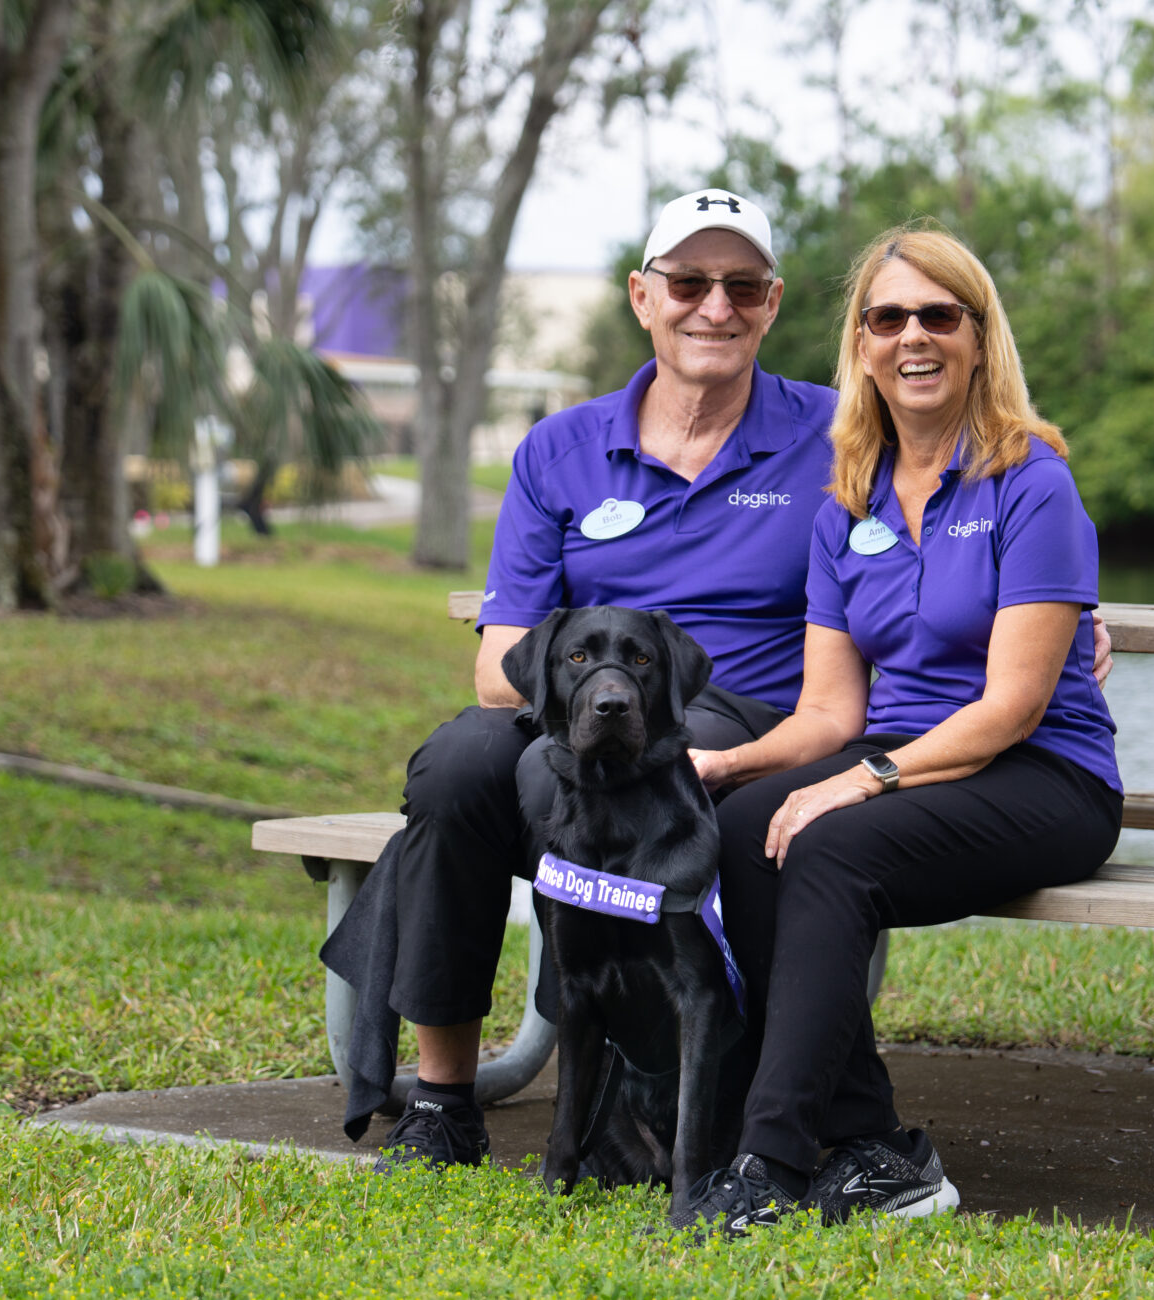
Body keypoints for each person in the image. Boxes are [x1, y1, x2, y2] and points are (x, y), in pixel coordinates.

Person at [359, 188, 840, 1168]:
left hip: (733, 713)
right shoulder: (560, 449)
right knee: (456, 769)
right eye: (688, 283)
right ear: (641, 295)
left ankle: (633, 1080)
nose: (715, 307)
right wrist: (579, 702)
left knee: (616, 767)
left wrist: (1059, 591)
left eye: (742, 286)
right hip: (575, 707)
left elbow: (982, 448)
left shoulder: (836, 431)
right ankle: (444, 1099)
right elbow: (499, 663)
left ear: (773, 303)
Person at [680, 226, 1124, 1235]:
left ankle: (768, 1161)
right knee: (745, 828)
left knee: (828, 845)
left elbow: (1011, 708)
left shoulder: (1031, 482)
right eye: (887, 318)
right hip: (906, 765)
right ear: (862, 345)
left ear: (978, 336)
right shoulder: (848, 502)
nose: (912, 337)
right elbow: (829, 713)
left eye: (938, 315)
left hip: (1043, 774)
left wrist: (861, 780)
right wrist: (729, 763)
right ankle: (880, 1150)